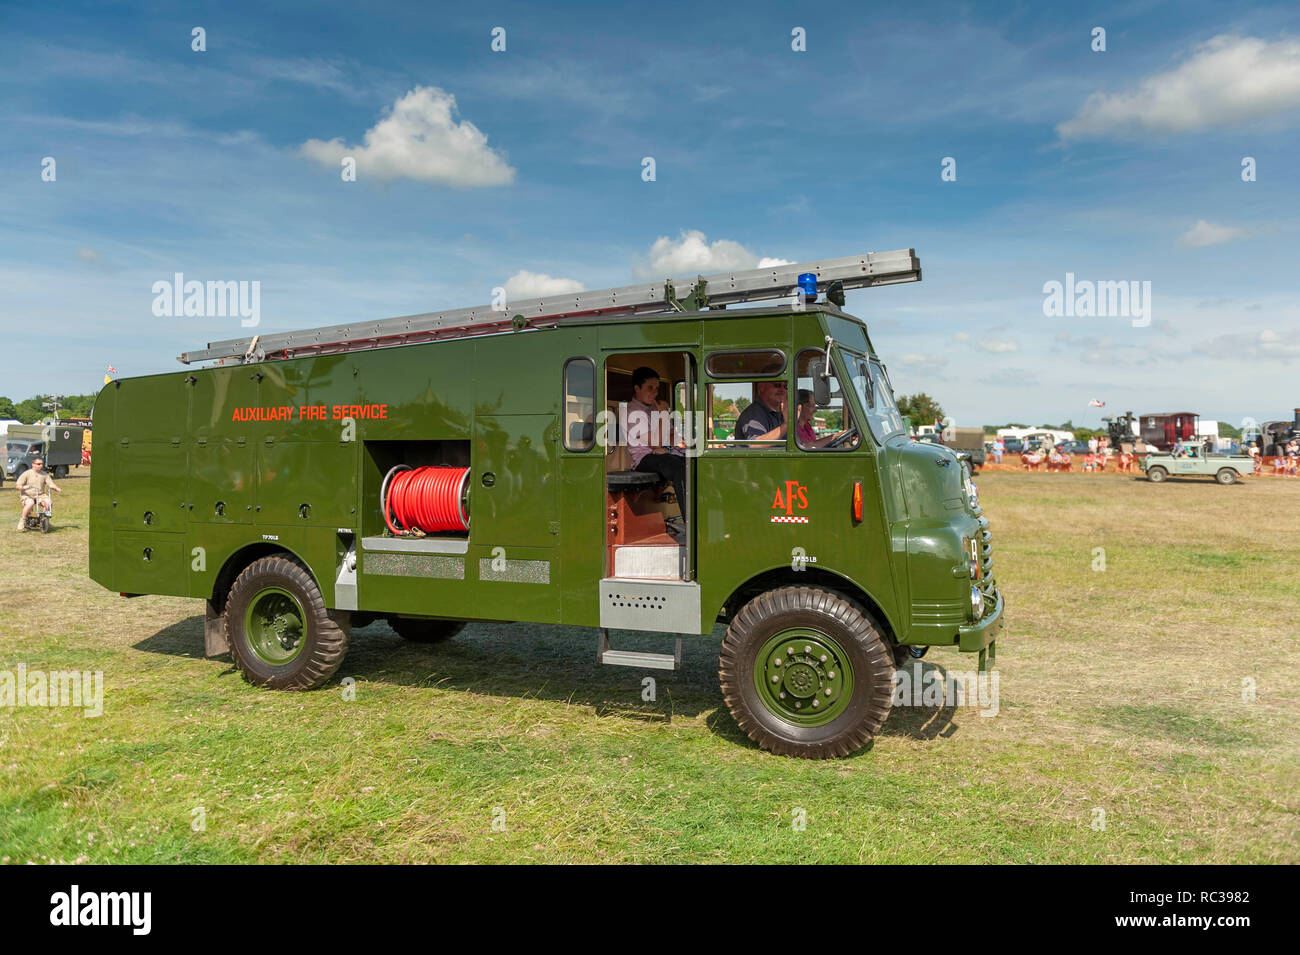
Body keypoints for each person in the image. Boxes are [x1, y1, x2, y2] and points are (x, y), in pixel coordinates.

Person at [625, 367, 688, 528]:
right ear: (637, 388)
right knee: (679, 469)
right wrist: (664, 416)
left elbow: (672, 434)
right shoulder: (632, 411)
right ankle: (691, 523)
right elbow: (654, 442)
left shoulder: (654, 408)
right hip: (643, 459)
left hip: (661, 454)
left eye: (657, 388)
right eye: (650, 388)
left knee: (692, 463)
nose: (654, 393)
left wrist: (666, 448)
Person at [735, 380, 788, 446]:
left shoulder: (780, 414)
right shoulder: (753, 414)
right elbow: (755, 445)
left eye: (786, 386)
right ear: (761, 387)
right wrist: (786, 425)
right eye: (777, 385)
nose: (782, 390)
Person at [15, 457, 60, 531]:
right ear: (33, 464)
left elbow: (50, 484)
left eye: (41, 464)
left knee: (48, 503)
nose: (40, 465)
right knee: (30, 503)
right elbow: (18, 485)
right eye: (38, 464)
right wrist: (24, 487)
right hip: (27, 494)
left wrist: (56, 488)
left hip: (40, 495)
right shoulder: (27, 473)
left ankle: (44, 520)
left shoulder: (44, 474)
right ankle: (22, 521)